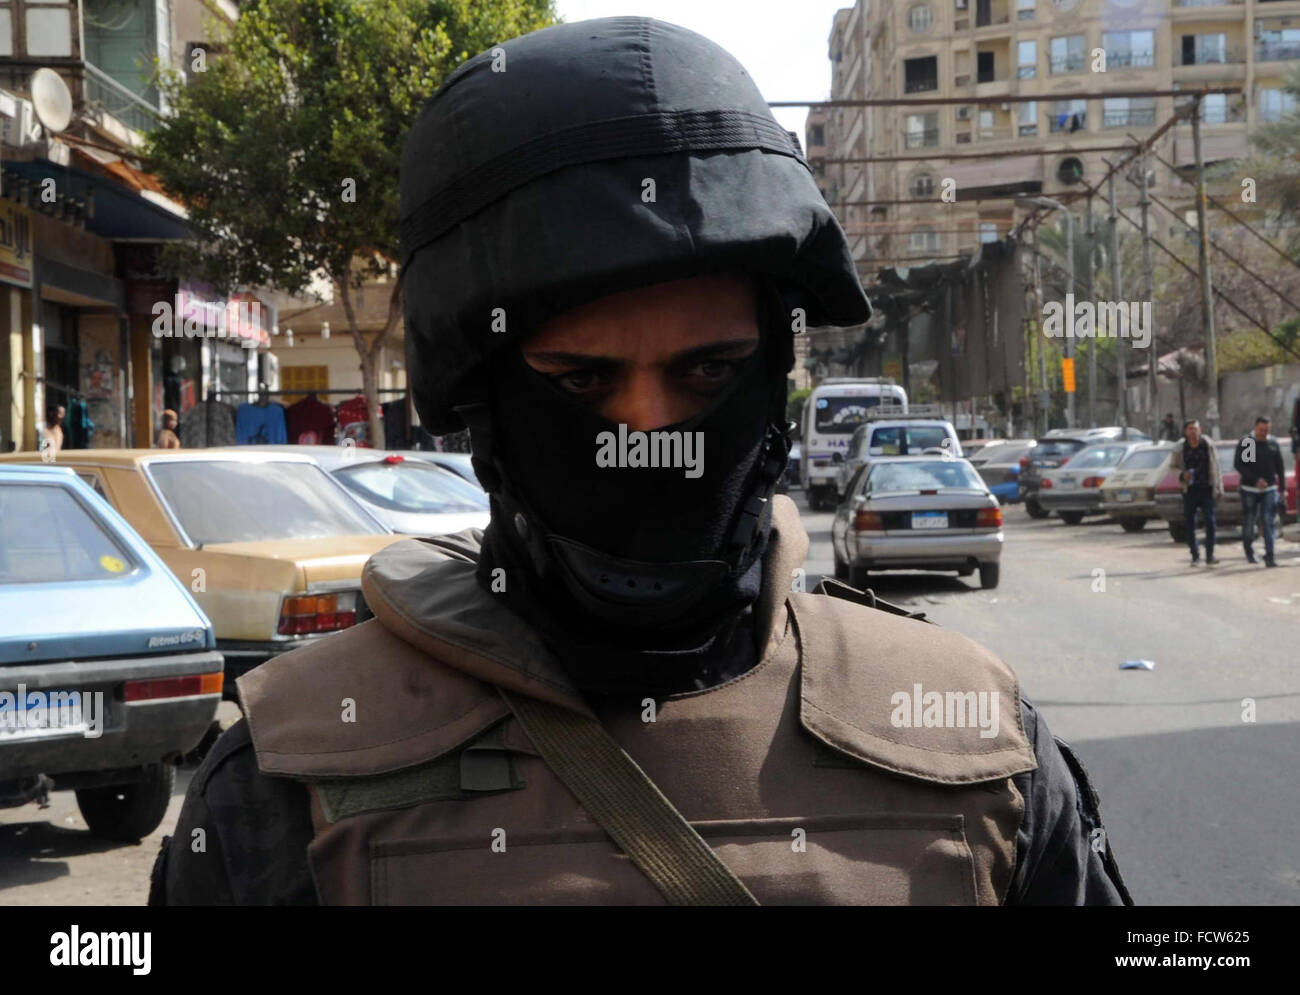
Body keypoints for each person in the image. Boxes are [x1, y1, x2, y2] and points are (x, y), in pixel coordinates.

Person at [150, 17, 1129, 907]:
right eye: (580, 382)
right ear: (479, 392)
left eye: (708, 371)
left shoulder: (975, 745)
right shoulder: (287, 790)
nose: (650, 429)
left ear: (772, 369)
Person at [1169, 419, 1223, 565]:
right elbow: (1172, 467)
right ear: (1185, 431)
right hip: (1189, 490)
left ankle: (1210, 555)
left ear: (1200, 430)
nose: (1193, 432)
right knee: (1190, 523)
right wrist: (1181, 475)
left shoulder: (1208, 444)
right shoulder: (1180, 448)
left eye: (1196, 429)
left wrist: (1219, 487)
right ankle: (1195, 555)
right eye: (1190, 429)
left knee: (1210, 522)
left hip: (1207, 489)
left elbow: (1216, 467)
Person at [1234, 416, 1286, 567]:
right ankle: (1249, 551)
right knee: (1250, 521)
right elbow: (1241, 466)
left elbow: (1280, 467)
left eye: (1266, 430)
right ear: (1255, 428)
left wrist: (1282, 489)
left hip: (1270, 489)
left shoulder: (1272, 443)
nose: (1263, 433)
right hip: (1250, 489)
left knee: (1268, 521)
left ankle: (1270, 556)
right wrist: (1256, 480)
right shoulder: (1249, 442)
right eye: (1261, 430)